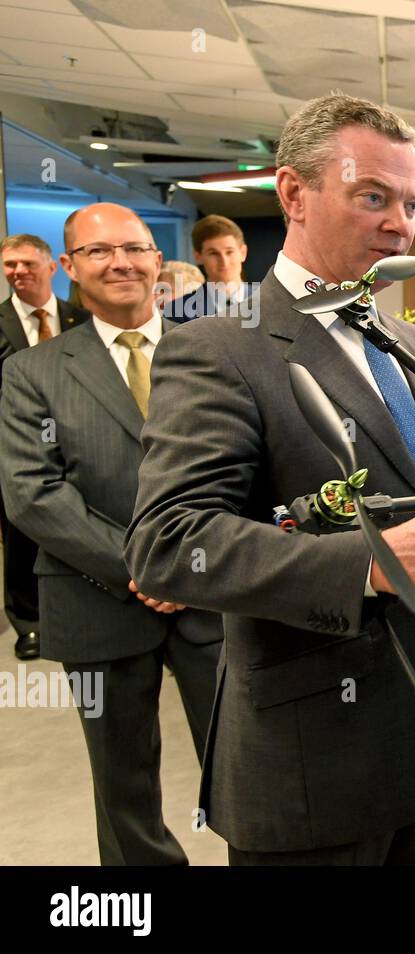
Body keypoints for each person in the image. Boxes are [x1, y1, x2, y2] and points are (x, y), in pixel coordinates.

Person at [125, 93, 415, 865]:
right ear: (293, 194)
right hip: (308, 759)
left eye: (412, 203)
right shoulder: (220, 350)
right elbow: (168, 543)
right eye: (372, 196)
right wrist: (368, 563)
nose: (400, 225)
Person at [0, 204, 223, 864]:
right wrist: (144, 568)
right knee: (122, 781)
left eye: (135, 248)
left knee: (248, 760)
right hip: (98, 597)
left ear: (158, 261)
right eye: (99, 252)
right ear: (68, 268)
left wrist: (199, 562)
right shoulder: (31, 372)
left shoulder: (213, 350)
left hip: (216, 592)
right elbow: (32, 493)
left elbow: (248, 466)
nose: (121, 261)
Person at [0, 233, 90, 660]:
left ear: (51, 266)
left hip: (78, 441)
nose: (17, 272)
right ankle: (28, 622)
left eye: (25, 264)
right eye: (9, 266)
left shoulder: (81, 319)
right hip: (19, 444)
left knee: (77, 521)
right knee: (22, 536)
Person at [171, 215, 252, 322]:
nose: (224, 261)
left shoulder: (268, 303)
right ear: (198, 257)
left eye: (229, 252)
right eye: (213, 253)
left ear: (243, 253)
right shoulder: (178, 311)